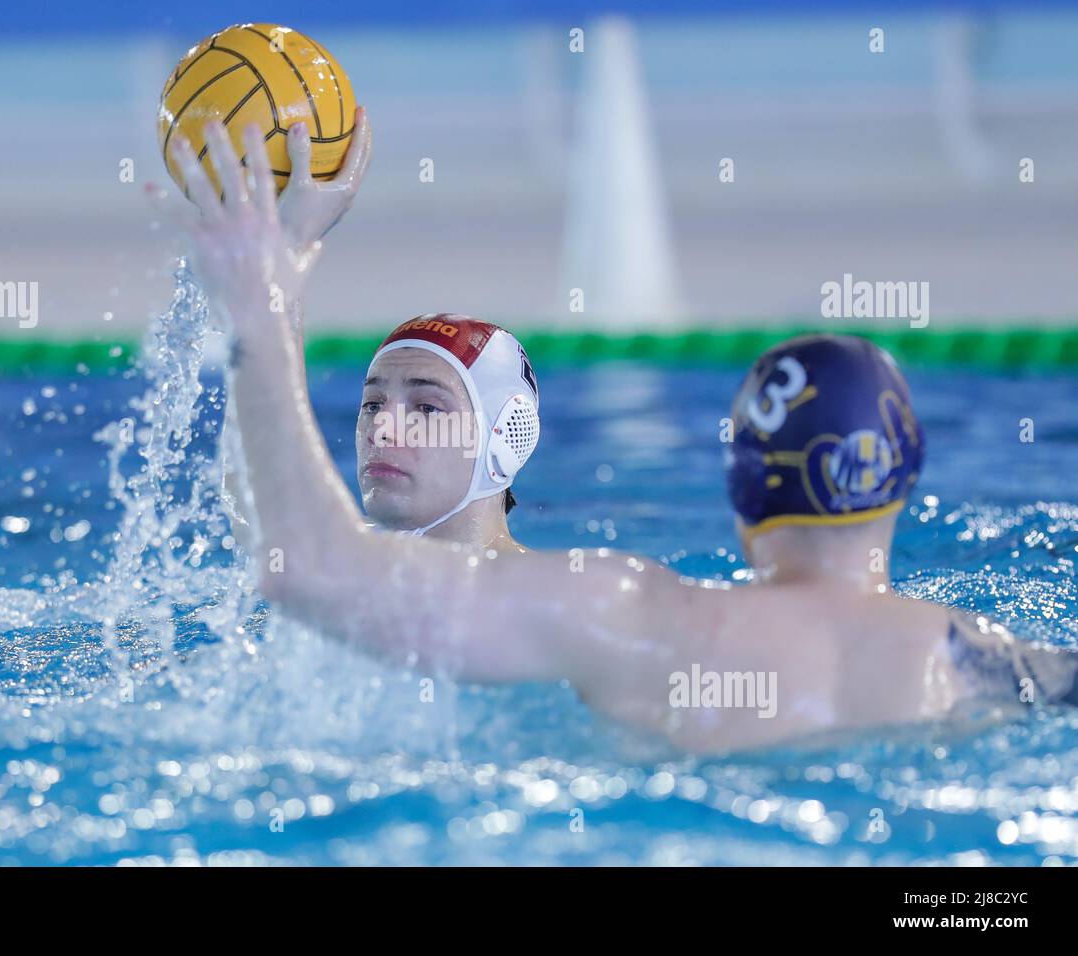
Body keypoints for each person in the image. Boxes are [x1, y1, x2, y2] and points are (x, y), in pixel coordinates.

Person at [171, 113, 1078, 753]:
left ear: (738, 485)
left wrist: (263, 300)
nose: (386, 424)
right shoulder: (981, 660)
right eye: (374, 401)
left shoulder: (642, 618)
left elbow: (308, 567)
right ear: (904, 477)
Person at [211, 112, 540, 552]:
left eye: (426, 408)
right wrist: (279, 256)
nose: (382, 428)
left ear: (507, 436)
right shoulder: (338, 564)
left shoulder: (554, 605)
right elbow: (258, 500)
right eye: (372, 403)